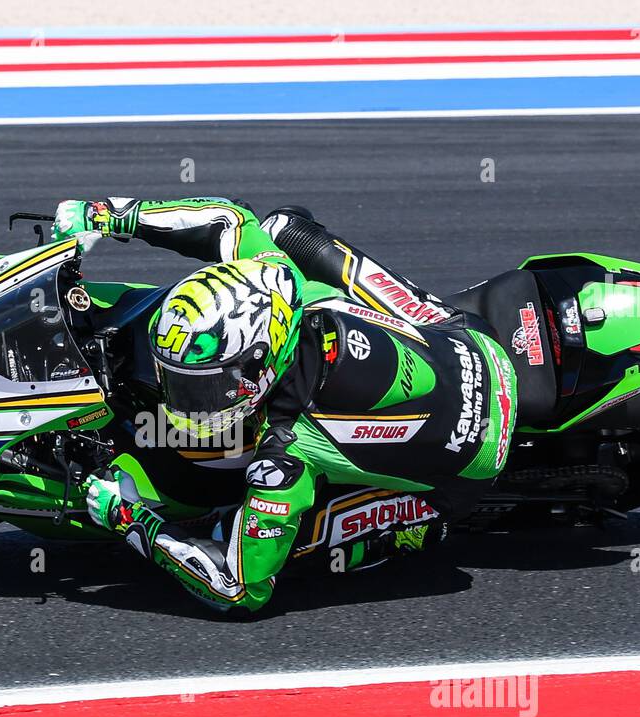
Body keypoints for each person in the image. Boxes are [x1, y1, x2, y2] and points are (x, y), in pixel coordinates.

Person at [51, 197, 518, 611]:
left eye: (204, 387)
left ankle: (414, 528)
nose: (183, 401)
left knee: (231, 531)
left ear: (261, 365)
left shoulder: (284, 455)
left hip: (463, 471)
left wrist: (131, 519)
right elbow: (226, 217)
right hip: (465, 338)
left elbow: (237, 589)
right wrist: (108, 216)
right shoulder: (278, 277)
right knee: (283, 228)